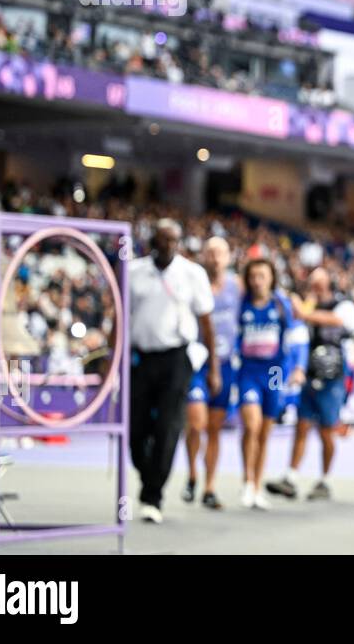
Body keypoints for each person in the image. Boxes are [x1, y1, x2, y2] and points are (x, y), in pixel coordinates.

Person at [127, 218, 217, 524]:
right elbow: (120, 318)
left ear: (178, 243)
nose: (167, 245)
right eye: (162, 239)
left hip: (177, 359)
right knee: (136, 429)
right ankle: (148, 471)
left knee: (168, 427)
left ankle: (153, 496)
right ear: (152, 240)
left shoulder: (192, 274)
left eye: (173, 240)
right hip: (141, 358)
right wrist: (112, 359)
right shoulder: (133, 271)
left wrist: (213, 366)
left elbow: (207, 324)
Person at [264, 267, 354, 502]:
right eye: (312, 283)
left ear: (328, 283)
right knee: (302, 425)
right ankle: (291, 476)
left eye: (319, 282)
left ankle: (325, 480)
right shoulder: (306, 307)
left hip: (333, 376)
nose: (315, 287)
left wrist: (304, 314)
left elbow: (340, 322)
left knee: (327, 429)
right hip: (309, 374)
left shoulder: (343, 305)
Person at [235, 257, 306, 510]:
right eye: (253, 276)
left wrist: (299, 366)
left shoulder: (281, 304)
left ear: (271, 278)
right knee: (251, 426)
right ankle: (246, 481)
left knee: (265, 431)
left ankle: (257, 485)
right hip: (248, 371)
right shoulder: (241, 303)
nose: (257, 281)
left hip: (275, 371)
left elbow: (298, 335)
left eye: (262, 276)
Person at [182, 237, 241, 510]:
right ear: (203, 256)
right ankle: (192, 473)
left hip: (227, 363)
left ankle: (209, 486)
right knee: (196, 424)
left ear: (229, 257)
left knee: (215, 429)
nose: (216, 258)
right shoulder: (193, 282)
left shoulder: (237, 286)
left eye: (221, 253)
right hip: (198, 362)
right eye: (211, 252)